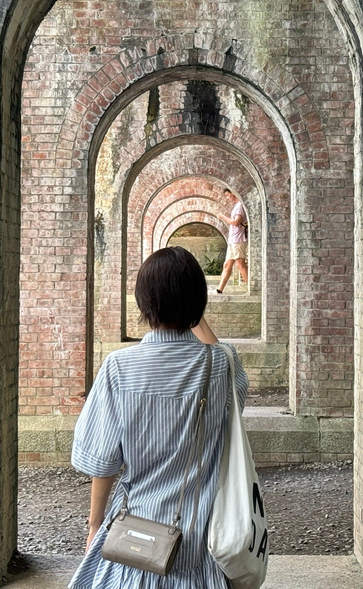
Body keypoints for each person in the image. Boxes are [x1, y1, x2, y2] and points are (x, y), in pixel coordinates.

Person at [68, 246, 248, 589]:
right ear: (199, 301)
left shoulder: (119, 368)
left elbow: (102, 462)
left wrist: (95, 525)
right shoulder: (222, 365)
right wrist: (193, 314)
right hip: (203, 535)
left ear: (143, 301)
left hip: (136, 535)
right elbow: (228, 377)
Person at [214, 189, 248, 294]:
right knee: (227, 265)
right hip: (233, 240)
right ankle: (219, 290)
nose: (228, 198)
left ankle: (252, 290)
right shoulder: (236, 206)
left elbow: (236, 222)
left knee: (240, 265)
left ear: (233, 193)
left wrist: (223, 217)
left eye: (228, 195)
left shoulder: (239, 206)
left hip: (238, 240)